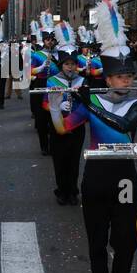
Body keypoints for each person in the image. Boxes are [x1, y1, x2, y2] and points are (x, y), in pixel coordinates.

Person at [75, 0, 137, 273]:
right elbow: (65, 128)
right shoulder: (89, 99)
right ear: (108, 78)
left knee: (127, 242)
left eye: (128, 76)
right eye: (120, 77)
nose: (126, 81)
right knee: (96, 243)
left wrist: (90, 104)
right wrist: (64, 104)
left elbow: (125, 125)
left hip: (124, 179)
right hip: (95, 177)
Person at [45, 22, 88, 205]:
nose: (70, 67)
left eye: (73, 64)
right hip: (57, 126)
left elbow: (88, 105)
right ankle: (61, 190)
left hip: (76, 126)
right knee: (60, 160)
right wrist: (58, 105)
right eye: (67, 64)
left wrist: (79, 103)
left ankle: (72, 191)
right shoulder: (52, 80)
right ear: (61, 65)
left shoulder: (83, 80)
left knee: (73, 160)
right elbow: (45, 104)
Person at [27, 17, 59, 155]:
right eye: (47, 39)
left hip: (56, 85)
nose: (50, 42)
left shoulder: (60, 54)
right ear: (44, 40)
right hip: (40, 85)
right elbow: (30, 71)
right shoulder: (37, 54)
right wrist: (41, 67)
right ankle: (44, 146)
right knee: (41, 118)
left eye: (52, 39)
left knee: (55, 116)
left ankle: (53, 143)